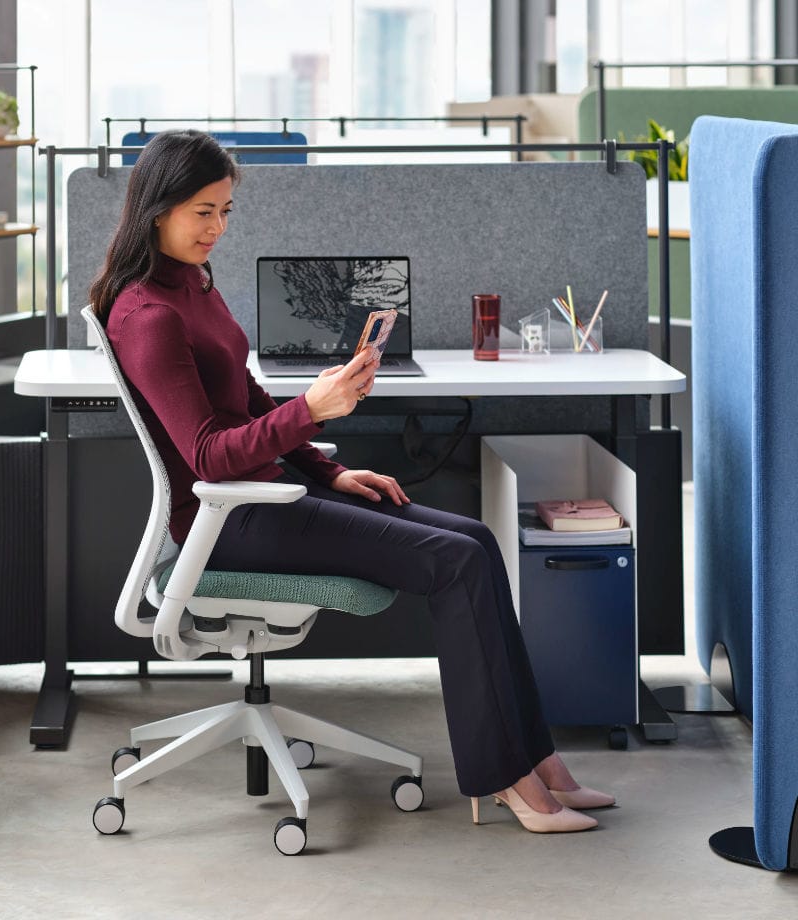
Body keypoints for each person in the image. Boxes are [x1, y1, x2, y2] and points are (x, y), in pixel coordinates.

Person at [89, 130, 615, 834]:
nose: (218, 228)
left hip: (272, 494)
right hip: (230, 521)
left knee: (476, 541)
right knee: (455, 563)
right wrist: (312, 409)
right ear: (157, 210)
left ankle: (538, 757)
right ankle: (506, 779)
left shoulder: (194, 284)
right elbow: (210, 455)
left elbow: (247, 401)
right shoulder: (149, 315)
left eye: (226, 211)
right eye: (203, 212)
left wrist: (331, 469)